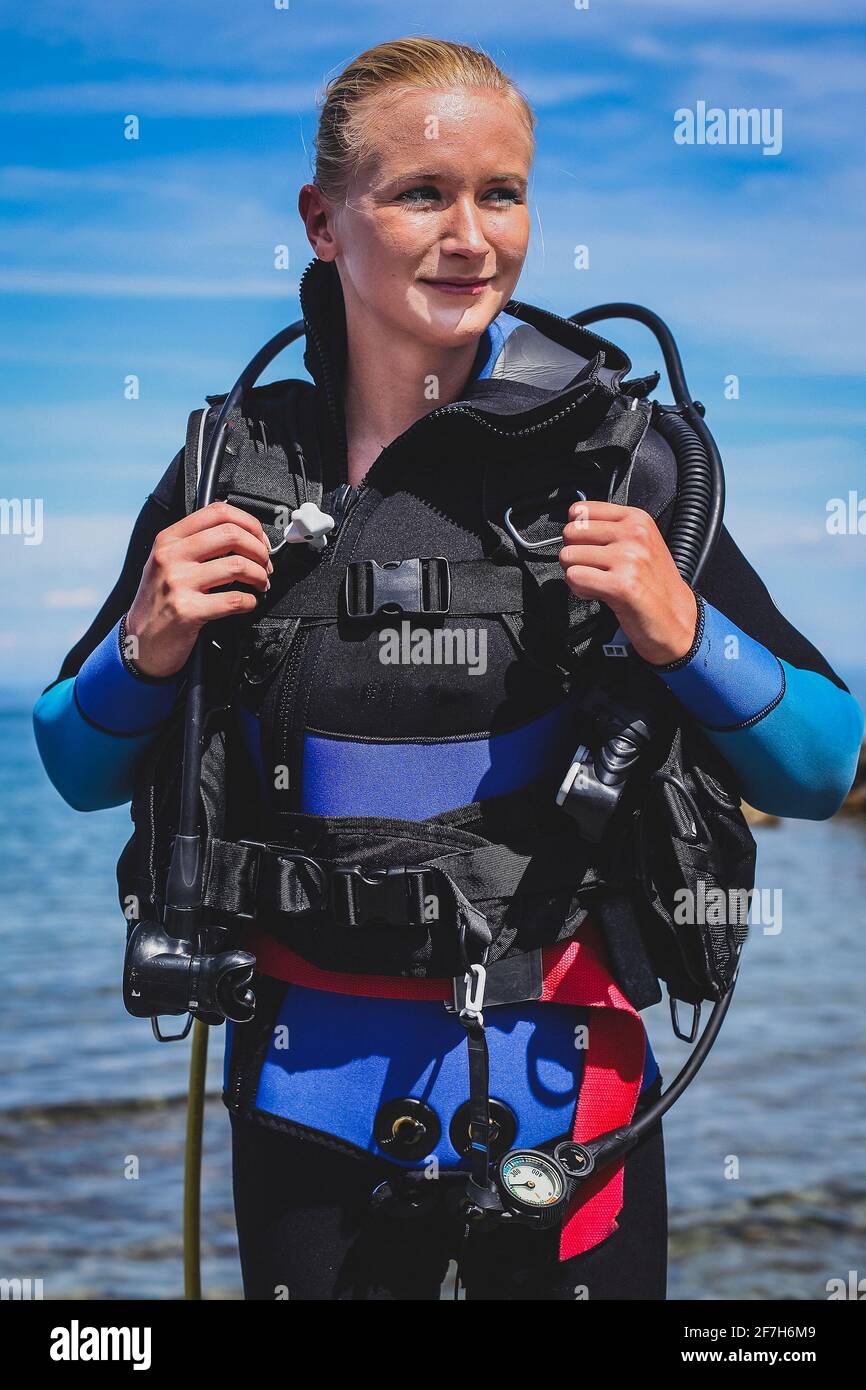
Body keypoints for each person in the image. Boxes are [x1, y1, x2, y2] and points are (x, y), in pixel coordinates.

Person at [33, 37, 863, 1302]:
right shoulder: (233, 465)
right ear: (322, 221)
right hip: (309, 1096)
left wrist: (685, 631)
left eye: (503, 193)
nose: (471, 235)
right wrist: (142, 656)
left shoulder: (618, 458)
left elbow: (820, 764)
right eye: (421, 193)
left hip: (561, 1096)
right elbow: (74, 764)